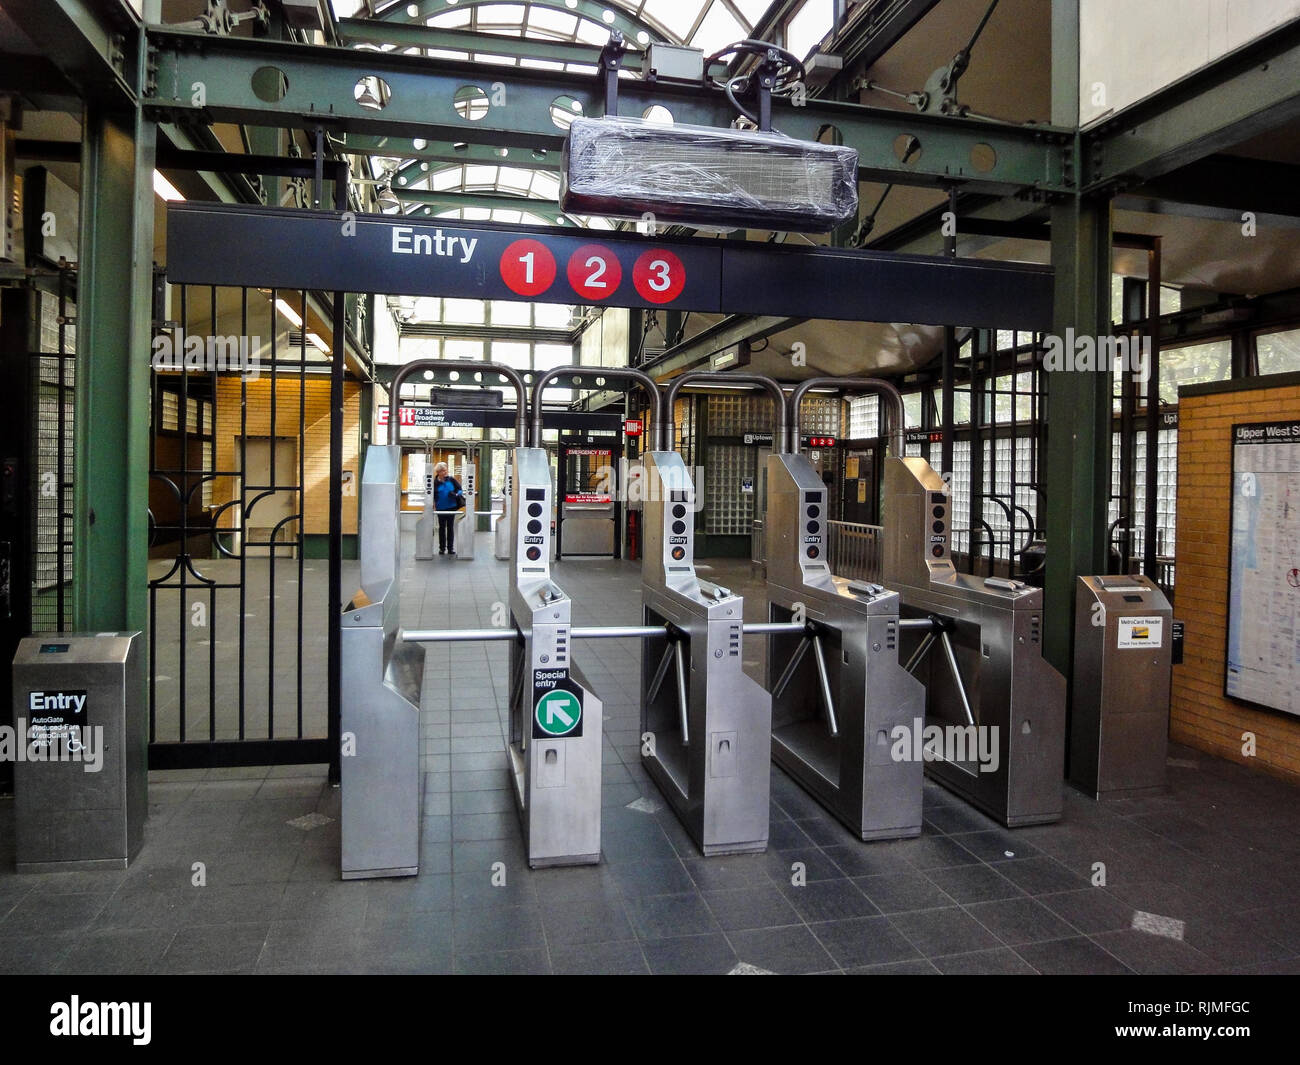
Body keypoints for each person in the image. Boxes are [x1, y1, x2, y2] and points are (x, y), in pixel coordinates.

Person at [432, 461, 465, 556]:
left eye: (446, 470)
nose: (445, 472)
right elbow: (433, 495)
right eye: (443, 471)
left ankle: (450, 548)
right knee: (441, 528)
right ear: (438, 472)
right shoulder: (435, 482)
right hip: (440, 508)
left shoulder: (451, 479)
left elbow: (460, 490)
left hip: (451, 507)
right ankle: (442, 548)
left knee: (450, 527)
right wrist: (433, 506)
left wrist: (456, 494)